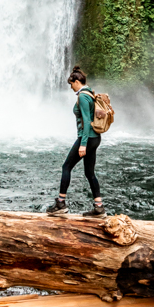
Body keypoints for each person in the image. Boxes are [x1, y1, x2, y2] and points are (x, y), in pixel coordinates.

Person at [46, 65, 105, 216]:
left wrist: (82, 144)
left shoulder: (83, 96)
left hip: (88, 138)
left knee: (66, 167)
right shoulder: (90, 92)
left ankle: (60, 204)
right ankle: (99, 207)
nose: (71, 87)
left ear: (77, 81)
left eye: (71, 84)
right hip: (95, 138)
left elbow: (86, 121)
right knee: (89, 173)